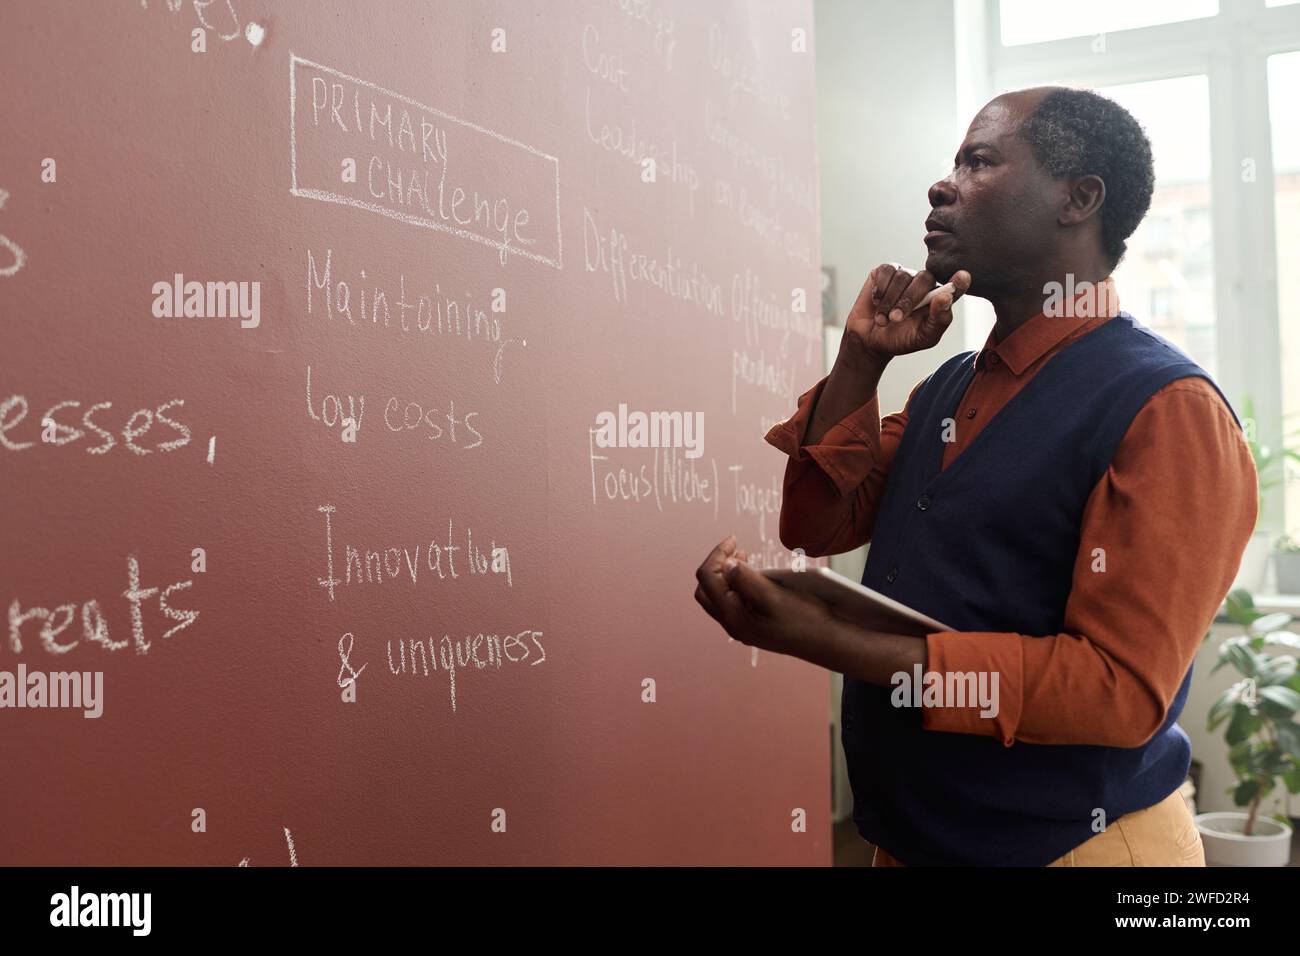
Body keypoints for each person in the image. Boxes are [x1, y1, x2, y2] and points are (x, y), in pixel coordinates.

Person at [692, 86, 1258, 866]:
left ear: (1079, 199)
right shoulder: (953, 383)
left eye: (979, 160)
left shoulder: (1169, 409)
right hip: (916, 838)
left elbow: (1118, 692)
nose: (941, 183)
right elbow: (818, 524)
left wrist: (835, 641)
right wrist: (861, 361)